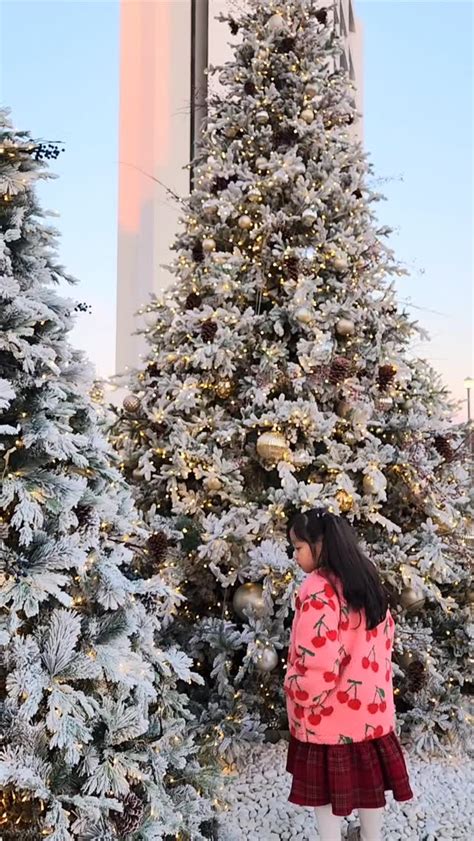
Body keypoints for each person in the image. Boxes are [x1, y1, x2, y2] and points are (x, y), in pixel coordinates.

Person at [284, 508, 413, 841]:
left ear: (320, 545)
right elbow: (385, 638)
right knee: (371, 786)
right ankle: (371, 835)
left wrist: (298, 689)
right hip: (371, 711)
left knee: (325, 790)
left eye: (298, 548)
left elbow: (317, 659)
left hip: (326, 715)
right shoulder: (366, 578)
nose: (295, 556)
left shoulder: (318, 589)